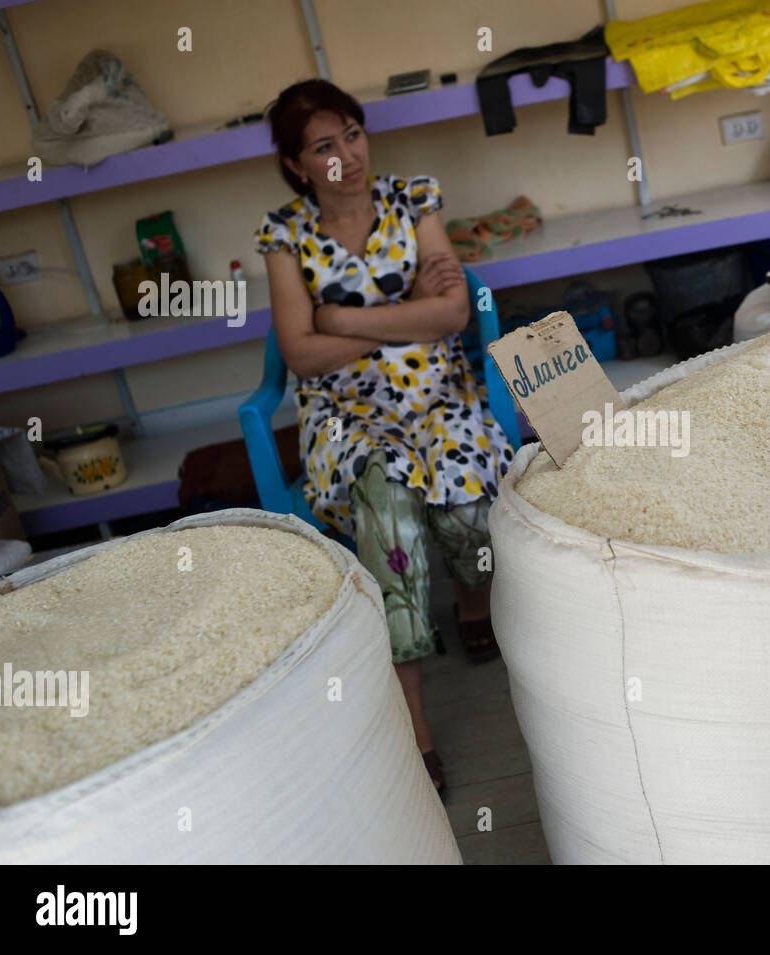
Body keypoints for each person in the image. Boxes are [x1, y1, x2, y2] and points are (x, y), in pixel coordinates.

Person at [254, 79, 514, 798]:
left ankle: (471, 604)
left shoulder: (412, 200)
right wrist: (409, 311)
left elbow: (454, 312)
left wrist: (339, 320)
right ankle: (416, 727)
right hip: (347, 415)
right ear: (295, 165)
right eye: (323, 146)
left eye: (354, 135)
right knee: (387, 506)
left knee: (469, 505)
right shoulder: (284, 235)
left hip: (437, 397)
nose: (347, 156)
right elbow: (300, 357)